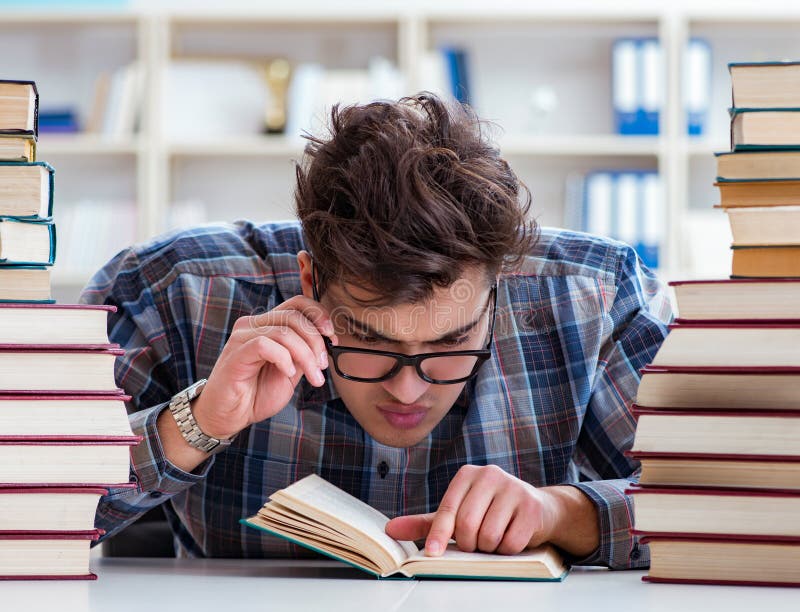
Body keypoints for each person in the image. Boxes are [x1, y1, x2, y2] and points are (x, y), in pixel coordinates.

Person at [82, 93, 672, 568]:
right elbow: (21, 514)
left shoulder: (597, 293)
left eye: (449, 343)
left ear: (499, 287)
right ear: (310, 278)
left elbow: (721, 511)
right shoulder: (166, 290)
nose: (409, 391)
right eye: (371, 341)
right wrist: (200, 422)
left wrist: (560, 513)